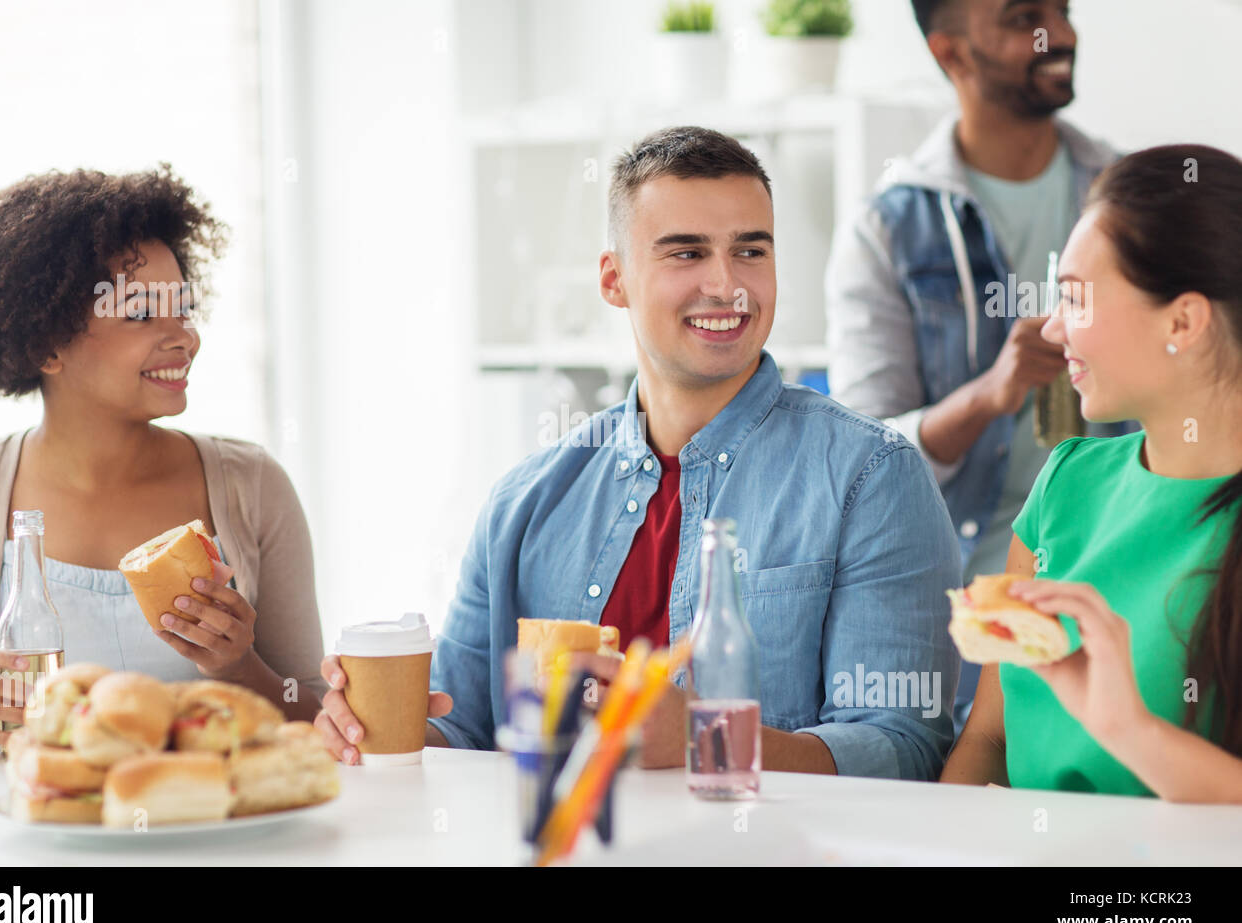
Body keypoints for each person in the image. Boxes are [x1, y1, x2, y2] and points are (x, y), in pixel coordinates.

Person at [318, 126, 962, 779]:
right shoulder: (521, 502)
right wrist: (367, 732)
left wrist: (705, 741)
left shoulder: (873, 475)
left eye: (750, 251)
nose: (727, 284)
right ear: (613, 278)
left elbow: (904, 748)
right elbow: (465, 731)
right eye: (686, 253)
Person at [0, 166, 324, 756]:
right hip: (38, 838)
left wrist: (238, 666)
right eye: (143, 313)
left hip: (214, 834)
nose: (184, 337)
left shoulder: (252, 487)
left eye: (184, 308)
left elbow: (317, 716)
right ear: (46, 344)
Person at [826, 0, 1131, 735]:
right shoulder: (887, 229)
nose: (1057, 34)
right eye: (1025, 18)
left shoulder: (1127, 194)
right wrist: (987, 397)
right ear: (951, 54)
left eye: (1060, 10)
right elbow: (860, 464)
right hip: (964, 615)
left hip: (1118, 585)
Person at [942, 145, 1242, 801]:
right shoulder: (1065, 484)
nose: (1053, 328)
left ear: (1183, 321)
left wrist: (1125, 728)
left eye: (1075, 300)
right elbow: (987, 742)